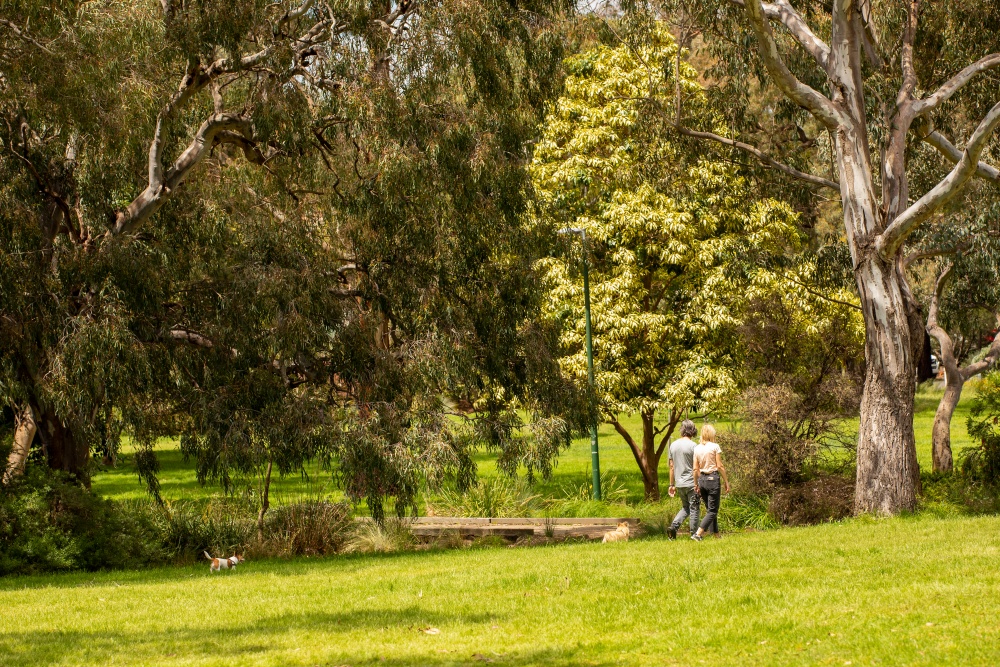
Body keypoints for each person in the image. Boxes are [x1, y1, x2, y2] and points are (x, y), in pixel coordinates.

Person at [692, 424, 730, 541]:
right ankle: (698, 534)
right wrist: (726, 481)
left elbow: (695, 469)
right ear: (711, 434)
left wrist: (696, 484)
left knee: (710, 509)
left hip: (702, 480)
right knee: (713, 510)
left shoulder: (697, 448)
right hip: (713, 479)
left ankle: (716, 535)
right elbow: (720, 466)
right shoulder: (715, 447)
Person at [666, 420, 700, 540]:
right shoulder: (694, 446)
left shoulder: (673, 445)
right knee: (694, 507)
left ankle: (674, 527)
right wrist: (698, 483)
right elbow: (697, 467)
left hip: (679, 483)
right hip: (692, 483)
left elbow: (671, 467)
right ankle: (694, 534)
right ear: (693, 430)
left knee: (686, 507)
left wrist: (671, 484)